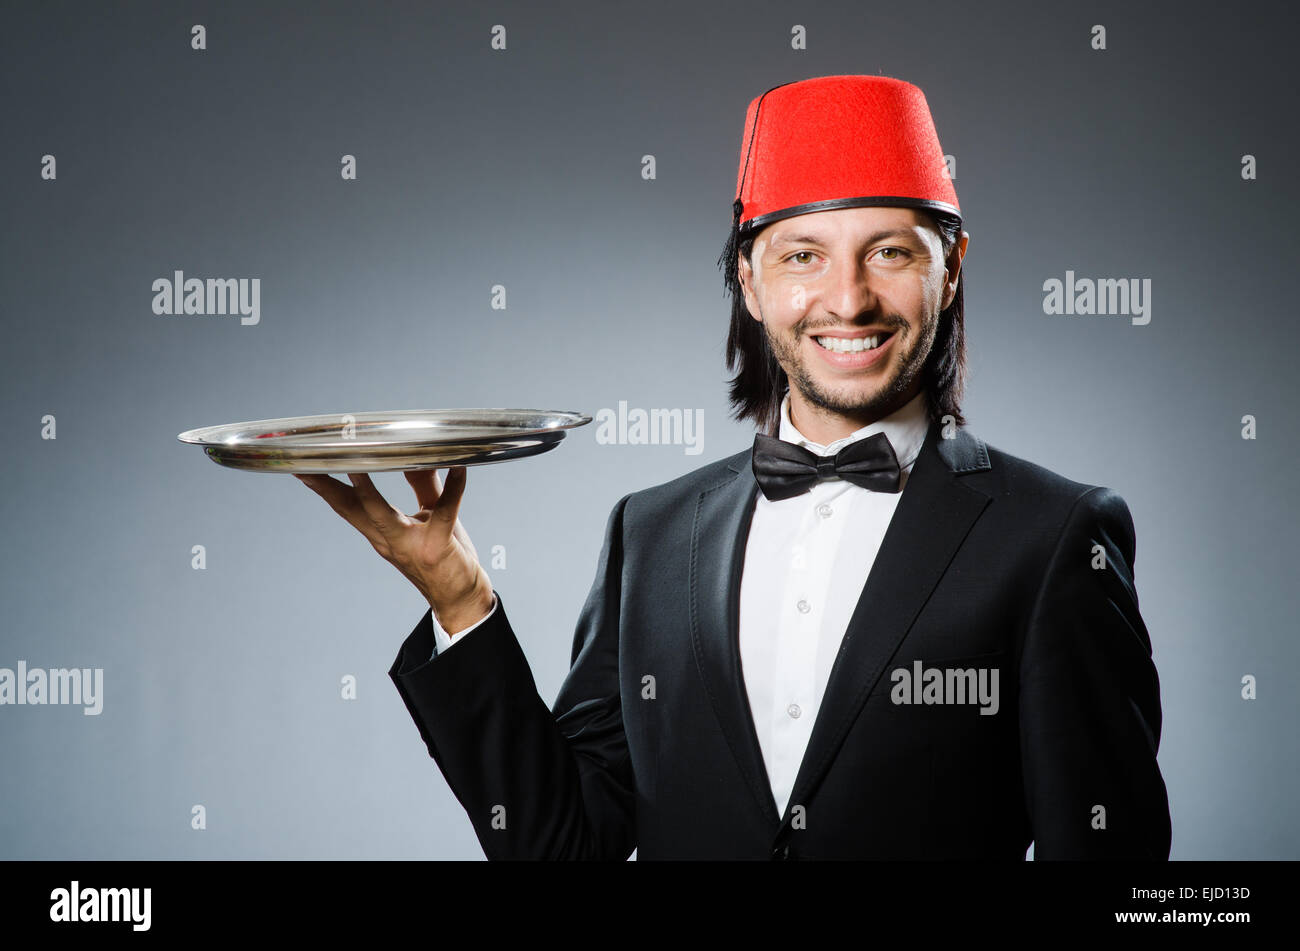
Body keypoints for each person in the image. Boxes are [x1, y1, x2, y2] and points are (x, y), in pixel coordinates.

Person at [296, 74, 1172, 860]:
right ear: (750, 282)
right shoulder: (651, 531)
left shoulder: (1056, 535)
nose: (848, 298)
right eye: (802, 255)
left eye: (891, 251)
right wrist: (458, 599)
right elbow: (563, 846)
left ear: (951, 272)